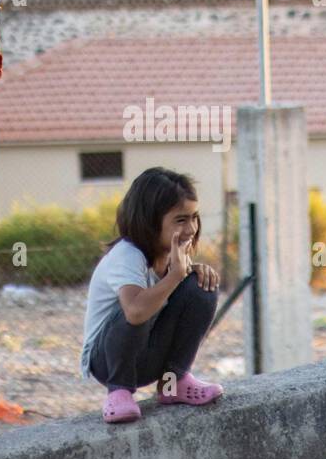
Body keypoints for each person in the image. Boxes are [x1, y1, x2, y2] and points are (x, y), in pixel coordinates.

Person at [79, 167, 223, 423]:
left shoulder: (171, 255)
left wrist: (188, 276)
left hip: (146, 356)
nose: (191, 228)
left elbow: (175, 300)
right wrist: (175, 276)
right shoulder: (127, 256)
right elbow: (135, 312)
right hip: (107, 360)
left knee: (201, 286)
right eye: (180, 220)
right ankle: (119, 393)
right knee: (140, 304)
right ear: (150, 220)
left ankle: (173, 382)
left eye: (194, 217)